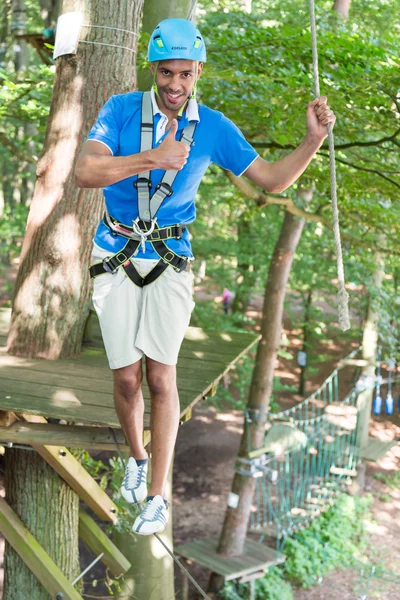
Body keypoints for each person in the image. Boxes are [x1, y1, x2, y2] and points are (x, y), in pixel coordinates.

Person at [75, 18, 336, 536]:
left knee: (160, 377)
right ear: (154, 69)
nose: (176, 85)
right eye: (168, 73)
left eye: (186, 75)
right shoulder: (121, 111)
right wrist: (152, 157)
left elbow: (271, 179)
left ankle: (156, 497)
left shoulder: (213, 126)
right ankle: (136, 456)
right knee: (126, 377)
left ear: (198, 73)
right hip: (116, 252)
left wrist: (312, 140)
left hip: (170, 257)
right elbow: (86, 172)